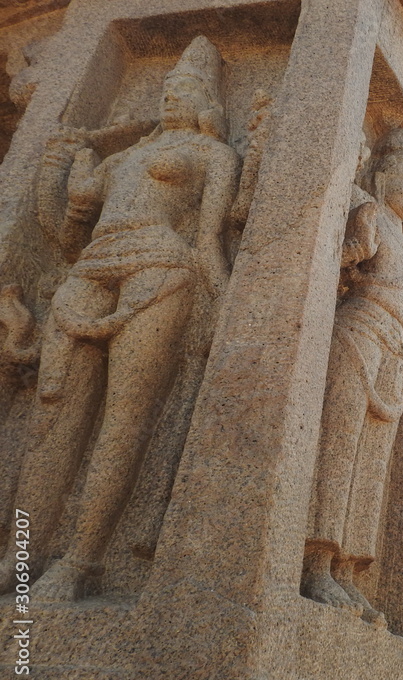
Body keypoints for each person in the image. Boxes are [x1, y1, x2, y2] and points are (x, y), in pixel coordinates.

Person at [0, 35, 239, 601]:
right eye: (167, 90)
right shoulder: (121, 157)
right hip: (91, 266)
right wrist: (63, 162)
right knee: (53, 420)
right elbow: (65, 230)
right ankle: (21, 556)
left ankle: (81, 561)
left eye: (186, 91)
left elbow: (208, 239)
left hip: (160, 270)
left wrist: (230, 311)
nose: (172, 98)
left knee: (123, 418)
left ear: (209, 102)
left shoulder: (213, 155)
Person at [301, 128, 403, 624]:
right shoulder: (368, 211)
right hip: (356, 331)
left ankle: (348, 569)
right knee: (338, 445)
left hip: (391, 354)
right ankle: (315, 563)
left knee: (370, 466)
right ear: (384, 175)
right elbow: (339, 260)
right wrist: (358, 242)